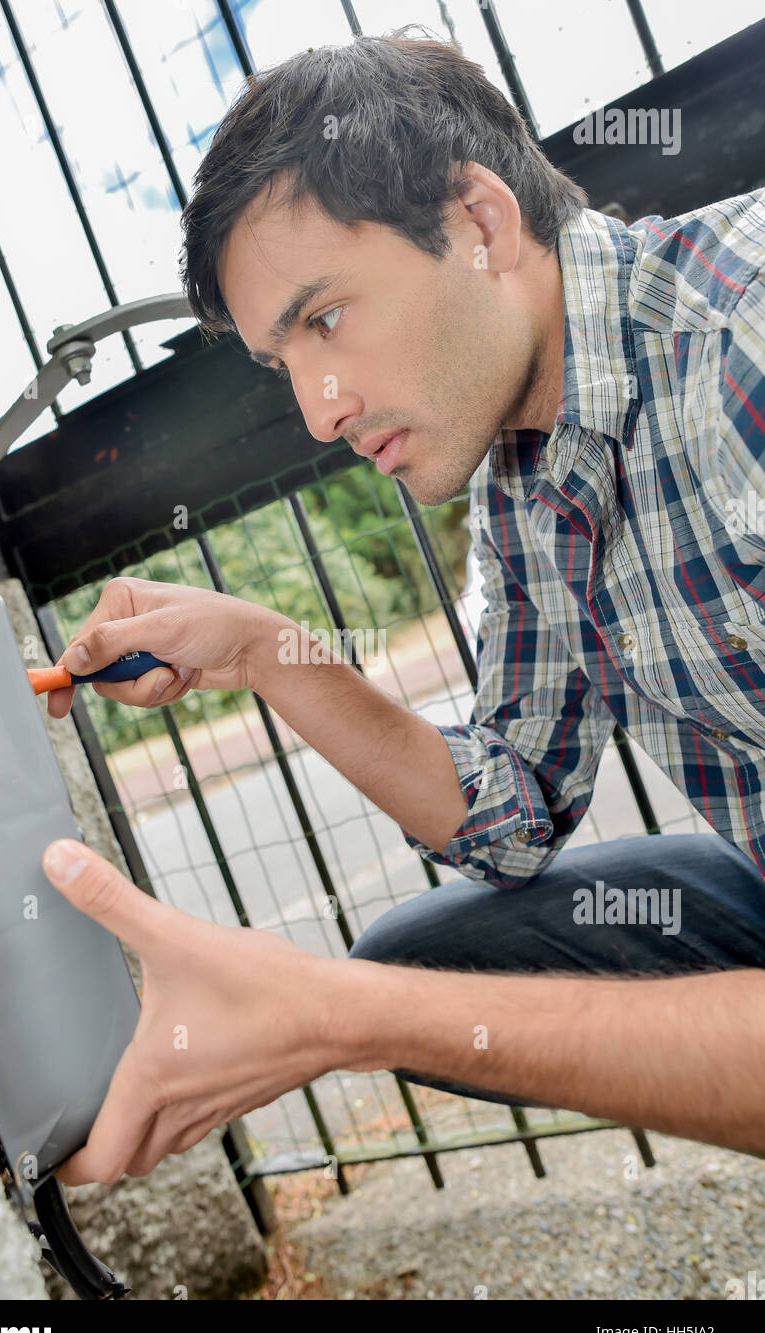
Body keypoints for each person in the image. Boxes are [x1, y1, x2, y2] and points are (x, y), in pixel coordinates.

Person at [42, 32, 765, 1186]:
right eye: (285, 365)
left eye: (324, 317)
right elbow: (511, 811)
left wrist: (343, 1016)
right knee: (432, 959)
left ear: (479, 222)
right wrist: (268, 650)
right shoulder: (526, 481)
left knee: (380, 995)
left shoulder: (742, 338)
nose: (320, 412)